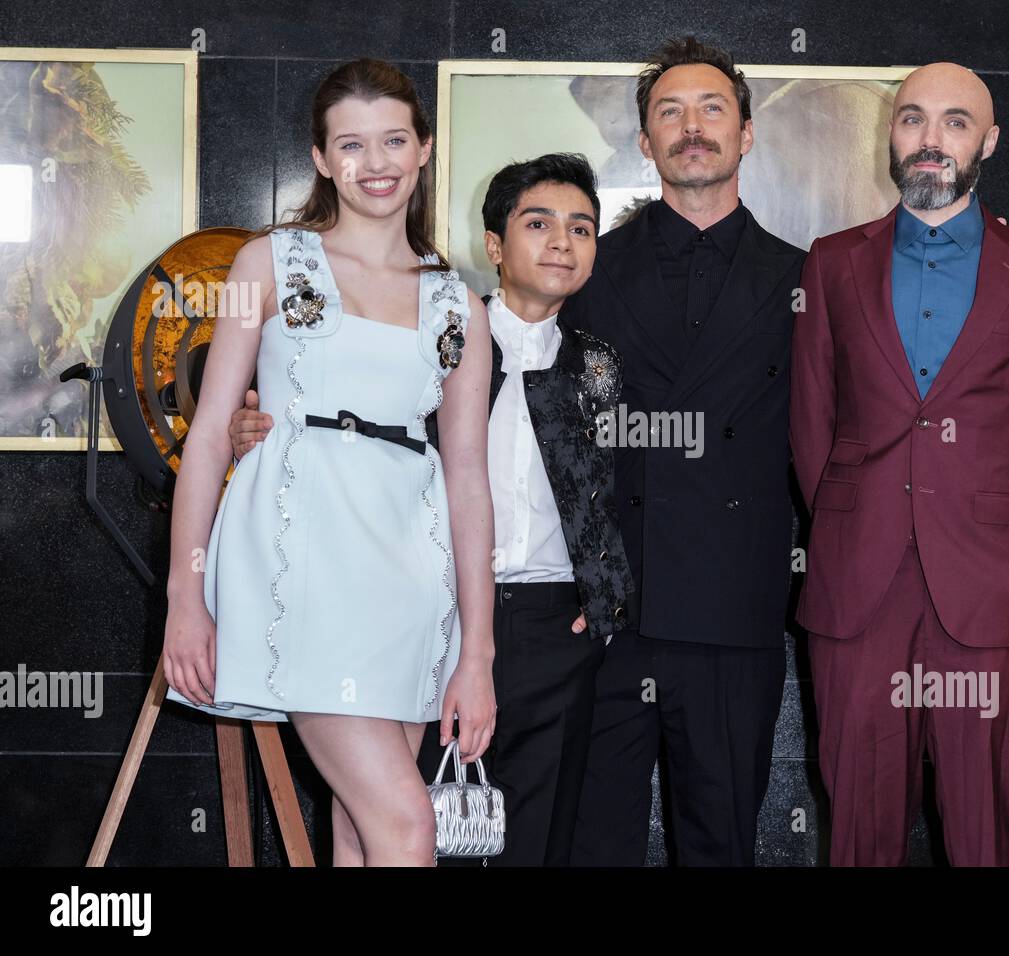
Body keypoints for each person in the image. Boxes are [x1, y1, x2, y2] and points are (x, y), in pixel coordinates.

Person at [233, 153, 637, 867]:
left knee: (534, 842)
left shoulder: (602, 364)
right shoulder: (431, 333)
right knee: (403, 825)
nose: (561, 243)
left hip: (553, 628)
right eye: (539, 224)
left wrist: (603, 598)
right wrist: (256, 431)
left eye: (581, 229)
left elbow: (628, 489)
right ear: (494, 245)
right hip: (426, 608)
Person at [162, 59, 496, 867]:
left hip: (411, 581)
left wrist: (478, 651)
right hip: (300, 562)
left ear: (423, 148)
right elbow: (208, 436)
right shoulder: (266, 265)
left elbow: (468, 478)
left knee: (360, 828)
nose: (375, 163)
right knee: (407, 828)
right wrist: (185, 594)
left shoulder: (459, 305)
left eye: (393, 141)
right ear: (319, 158)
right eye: (351, 145)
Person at [790, 62, 1009, 865]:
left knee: (990, 832)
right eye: (913, 118)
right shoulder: (832, 261)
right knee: (858, 832)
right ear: (891, 133)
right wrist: (856, 521)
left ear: (989, 141)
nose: (931, 138)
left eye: (956, 122)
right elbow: (812, 422)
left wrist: (991, 520)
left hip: (991, 588)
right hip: (858, 589)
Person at [561, 37, 806, 866]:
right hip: (606, 612)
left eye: (711, 109)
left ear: (746, 134)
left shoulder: (805, 281)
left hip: (734, 611)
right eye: (670, 112)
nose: (691, 126)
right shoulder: (585, 270)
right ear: (644, 140)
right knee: (593, 846)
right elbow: (536, 425)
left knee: (719, 847)